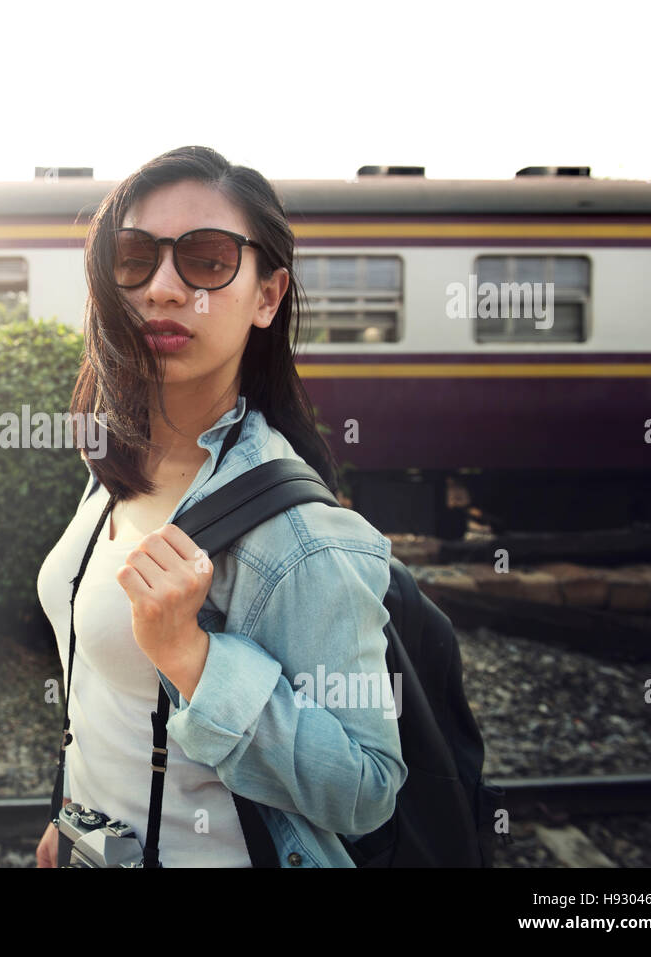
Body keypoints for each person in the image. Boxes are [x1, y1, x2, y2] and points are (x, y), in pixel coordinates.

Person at [34, 146, 406, 868]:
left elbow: (369, 787)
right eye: (135, 257)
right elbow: (108, 696)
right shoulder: (112, 467)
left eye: (207, 260)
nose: (165, 289)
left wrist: (195, 659)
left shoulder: (304, 537)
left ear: (267, 296)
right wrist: (70, 816)